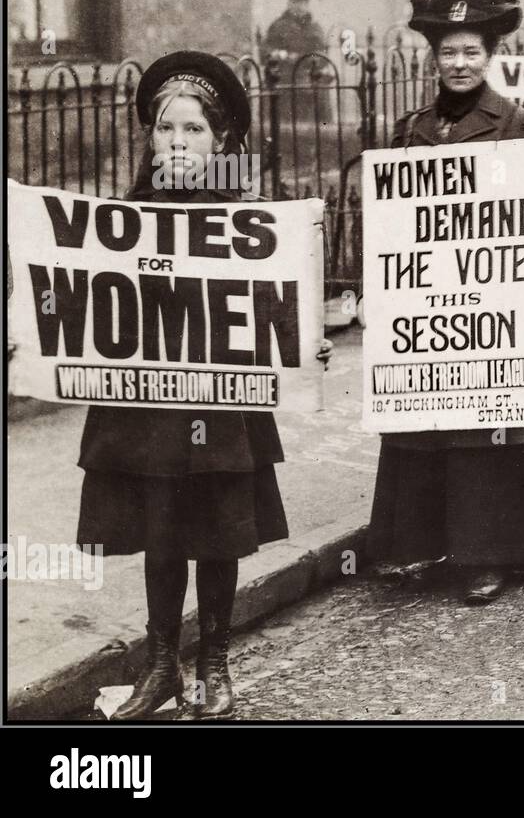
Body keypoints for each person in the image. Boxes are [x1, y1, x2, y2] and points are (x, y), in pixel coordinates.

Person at [70, 52, 332, 719]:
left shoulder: (245, 223)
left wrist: (305, 336)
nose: (178, 143)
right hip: (150, 406)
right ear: (151, 139)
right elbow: (86, 305)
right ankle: (162, 665)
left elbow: (272, 304)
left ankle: (214, 662)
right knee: (160, 530)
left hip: (221, 406)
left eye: (192, 131)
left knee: (217, 529)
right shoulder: (122, 220)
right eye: (166, 130)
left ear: (220, 142)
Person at [365, 0, 524, 604]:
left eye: (471, 52)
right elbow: (393, 225)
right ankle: (427, 543)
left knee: (489, 426)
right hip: (429, 301)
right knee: (429, 416)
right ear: (433, 58)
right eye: (448, 52)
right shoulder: (409, 130)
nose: (459, 63)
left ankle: (490, 553)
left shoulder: (516, 125)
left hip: (496, 299)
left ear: (491, 56)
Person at [262, 0, 332, 120]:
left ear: (307, 6)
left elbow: (322, 55)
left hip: (309, 78)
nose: (299, 7)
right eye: (295, 2)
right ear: (289, 4)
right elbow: (265, 51)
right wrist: (281, 55)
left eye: (303, 3)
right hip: (284, 78)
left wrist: (305, 59)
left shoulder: (315, 29)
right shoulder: (277, 26)